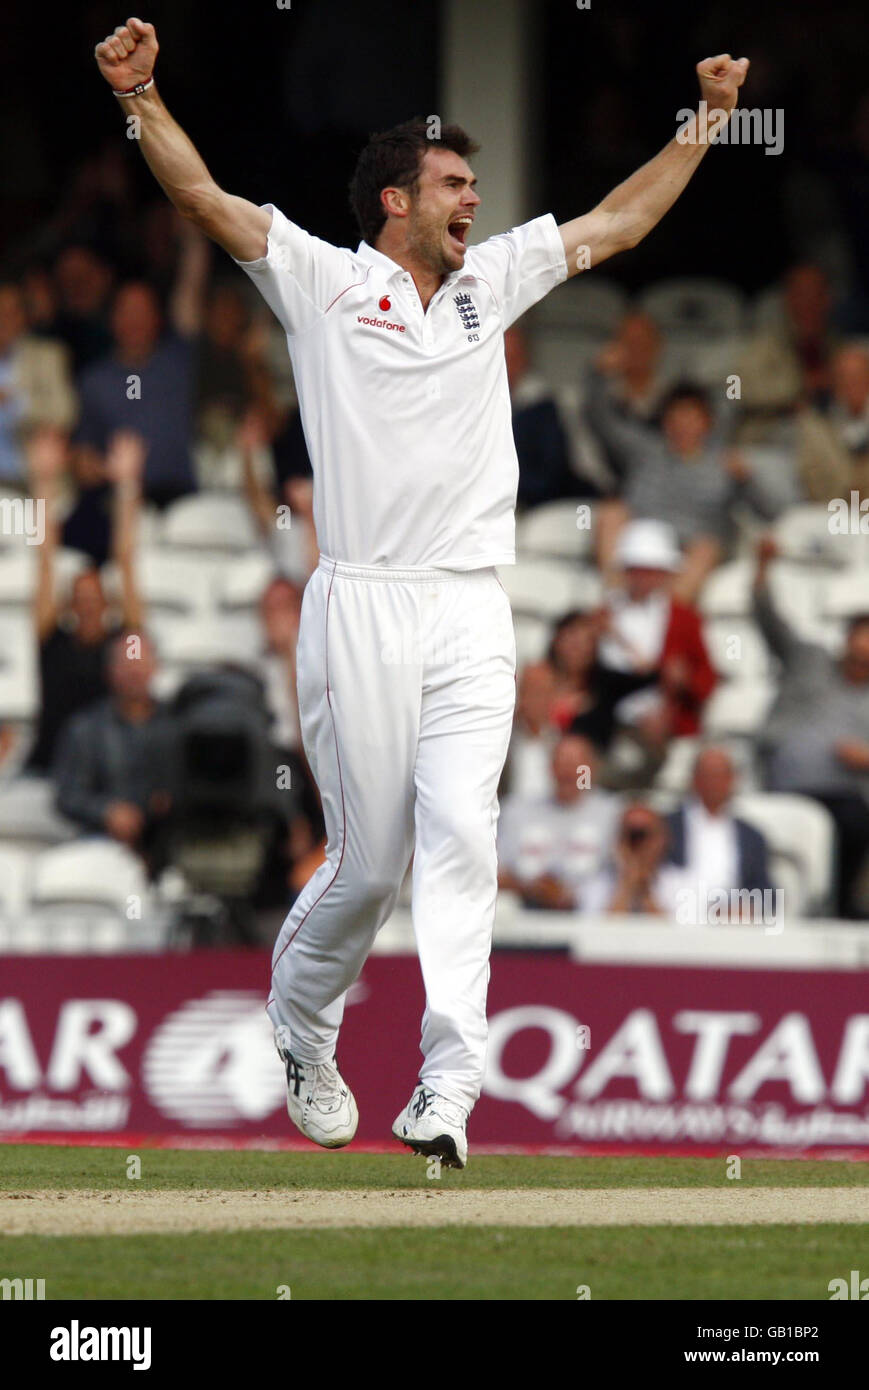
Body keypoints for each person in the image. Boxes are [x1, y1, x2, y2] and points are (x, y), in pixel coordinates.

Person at [94, 16, 749, 1166]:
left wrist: (703, 120)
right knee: (371, 864)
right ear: (394, 201)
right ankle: (303, 1026)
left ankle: (446, 1090)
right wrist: (142, 95)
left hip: (468, 606)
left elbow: (622, 217)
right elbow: (202, 197)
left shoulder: (489, 279)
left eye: (473, 182)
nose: (472, 200)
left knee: (461, 838)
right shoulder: (320, 281)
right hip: (359, 601)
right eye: (452, 182)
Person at [752, 536, 869, 919]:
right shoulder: (808, 659)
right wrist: (763, 570)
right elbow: (769, 622)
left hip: (842, 793)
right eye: (861, 634)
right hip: (784, 779)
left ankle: (839, 909)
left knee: (854, 824)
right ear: (847, 638)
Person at [27, 426, 145, 773]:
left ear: (109, 605)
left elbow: (125, 559)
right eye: (81, 598)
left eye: (95, 598)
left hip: (106, 769)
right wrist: (43, 481)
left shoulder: (123, 643)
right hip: (48, 766)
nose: (89, 605)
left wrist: (127, 487)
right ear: (68, 606)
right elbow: (45, 556)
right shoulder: (52, 641)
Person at [497, 734, 620, 909]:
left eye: (578, 765)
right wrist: (530, 888)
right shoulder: (518, 810)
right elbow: (495, 871)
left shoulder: (611, 813)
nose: (568, 772)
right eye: (561, 763)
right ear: (550, 768)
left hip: (590, 913)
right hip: (525, 909)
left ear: (592, 768)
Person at [665, 746, 773, 919]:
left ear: (732, 780)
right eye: (707, 775)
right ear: (694, 779)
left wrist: (744, 909)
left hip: (731, 925)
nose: (714, 782)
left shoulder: (751, 836)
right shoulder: (666, 827)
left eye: (720, 775)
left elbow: (765, 891)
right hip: (674, 916)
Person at [580, 802, 687, 917]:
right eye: (631, 836)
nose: (638, 844)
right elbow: (599, 932)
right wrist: (626, 886)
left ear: (662, 840)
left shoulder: (681, 883)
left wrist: (645, 890)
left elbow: (674, 932)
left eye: (643, 835)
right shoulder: (596, 884)